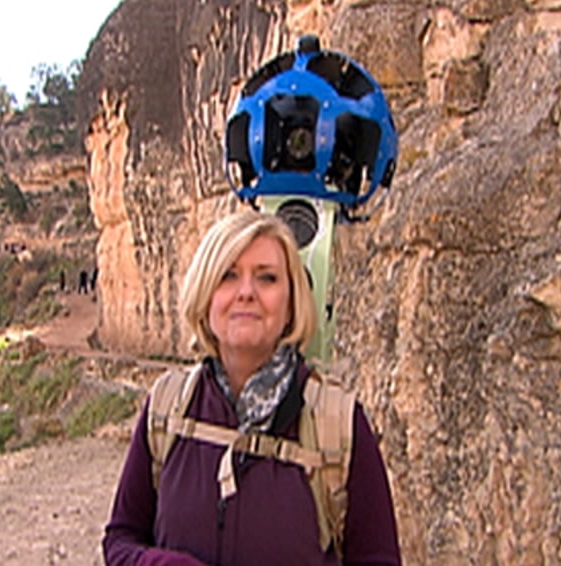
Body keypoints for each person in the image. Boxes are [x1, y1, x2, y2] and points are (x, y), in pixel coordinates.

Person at [102, 211, 401, 565]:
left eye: (267, 278)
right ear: (205, 295)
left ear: (291, 302)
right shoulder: (167, 408)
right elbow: (120, 539)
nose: (246, 293)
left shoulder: (339, 424)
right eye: (228, 275)